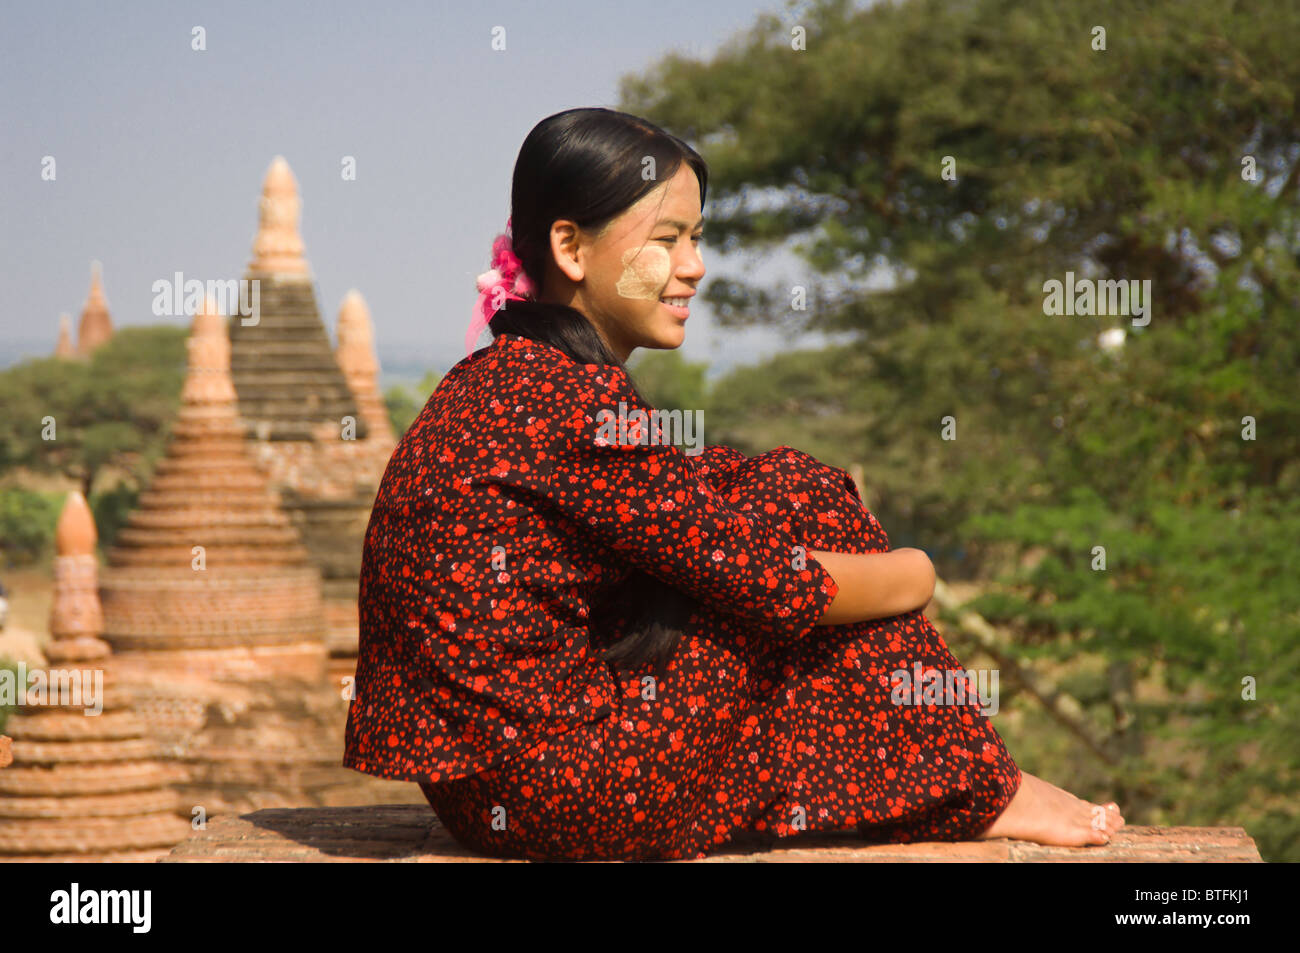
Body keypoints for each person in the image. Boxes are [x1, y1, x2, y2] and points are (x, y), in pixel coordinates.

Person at [342, 106, 1125, 860]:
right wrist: (914, 574)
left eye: (698, 237)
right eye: (668, 239)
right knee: (802, 497)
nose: (695, 265)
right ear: (571, 249)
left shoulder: (493, 378)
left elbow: (679, 507)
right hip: (567, 792)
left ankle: (965, 779)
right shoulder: (571, 401)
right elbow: (776, 588)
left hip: (480, 797)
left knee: (754, 490)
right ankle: (984, 786)